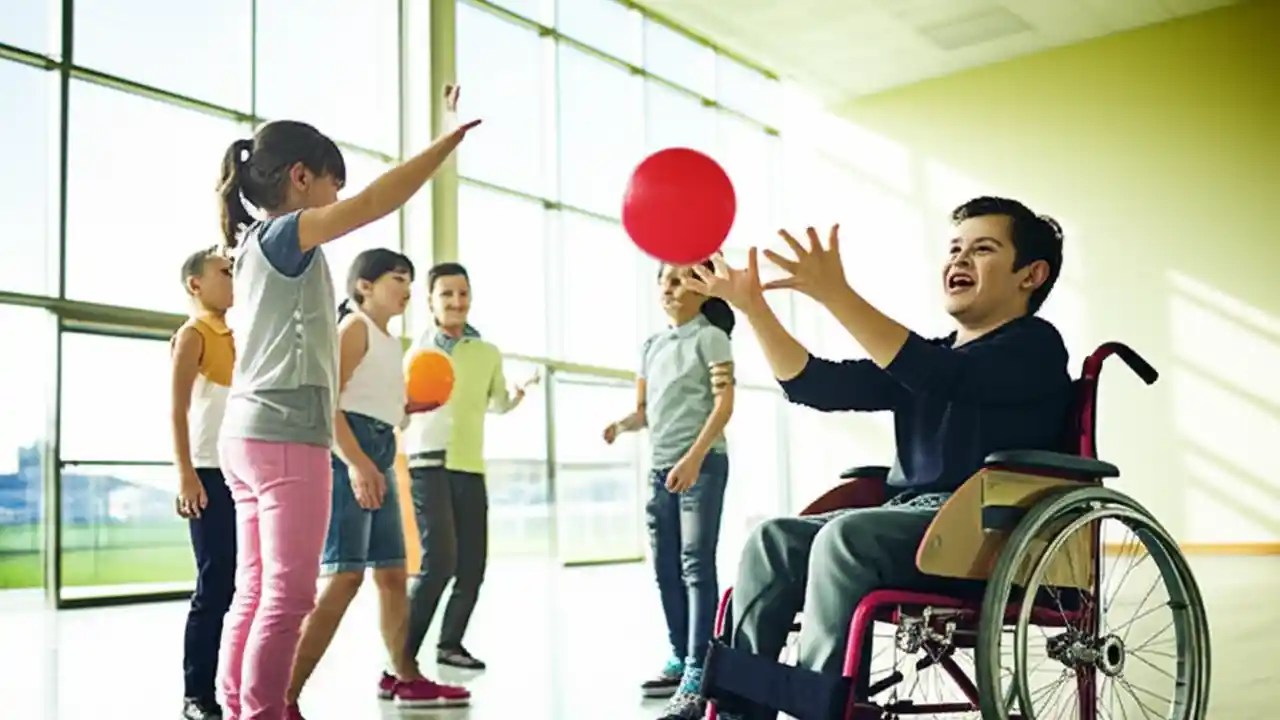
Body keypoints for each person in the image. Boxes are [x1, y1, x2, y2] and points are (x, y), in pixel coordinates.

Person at [683, 196, 1072, 719]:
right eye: (954, 248)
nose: (959, 260)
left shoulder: (1036, 347)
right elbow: (813, 384)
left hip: (987, 531)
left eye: (982, 249)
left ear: (1031, 274)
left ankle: (819, 711)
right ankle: (739, 712)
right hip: (912, 519)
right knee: (770, 540)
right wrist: (754, 307)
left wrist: (836, 295)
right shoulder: (931, 357)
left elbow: (941, 376)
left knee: (845, 538)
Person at [214, 86, 479, 720]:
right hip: (285, 435)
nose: (337, 198)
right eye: (331, 183)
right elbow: (373, 203)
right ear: (300, 178)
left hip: (246, 434)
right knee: (288, 594)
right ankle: (264, 711)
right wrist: (443, 145)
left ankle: (241, 706)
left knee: (254, 590)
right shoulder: (286, 232)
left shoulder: (252, 244)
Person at [285, 249, 469, 716]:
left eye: (409, 280)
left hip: (381, 452)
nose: (406, 289)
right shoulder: (355, 329)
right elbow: (328, 405)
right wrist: (356, 463)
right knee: (345, 577)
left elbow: (379, 406)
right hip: (352, 455)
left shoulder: (391, 341)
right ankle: (282, 697)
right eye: (397, 278)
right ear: (364, 286)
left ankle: (405, 677)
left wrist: (410, 409)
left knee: (391, 574)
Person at [602, 260, 736, 720]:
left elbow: (724, 405)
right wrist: (622, 424)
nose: (670, 286)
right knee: (665, 566)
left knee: (696, 564)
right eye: (664, 279)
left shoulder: (711, 337)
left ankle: (701, 668)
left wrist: (694, 458)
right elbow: (644, 411)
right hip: (661, 471)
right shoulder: (651, 346)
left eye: (680, 279)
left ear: (701, 288)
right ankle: (680, 655)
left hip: (703, 465)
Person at [402, 262, 536, 673]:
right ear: (430, 301)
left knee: (473, 564)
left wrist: (515, 395)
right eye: (446, 294)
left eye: (462, 294)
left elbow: (495, 404)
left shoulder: (487, 352)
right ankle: (401, 653)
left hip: (469, 465)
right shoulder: (417, 352)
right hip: (429, 462)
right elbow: (401, 410)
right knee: (439, 561)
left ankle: (450, 644)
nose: (456, 302)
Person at [171, 248, 237, 720]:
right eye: (223, 272)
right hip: (209, 474)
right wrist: (186, 475)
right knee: (214, 586)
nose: (232, 279)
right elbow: (177, 410)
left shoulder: (241, 336)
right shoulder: (193, 334)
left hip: (245, 473)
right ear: (196, 284)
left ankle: (240, 686)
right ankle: (197, 695)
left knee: (244, 585)